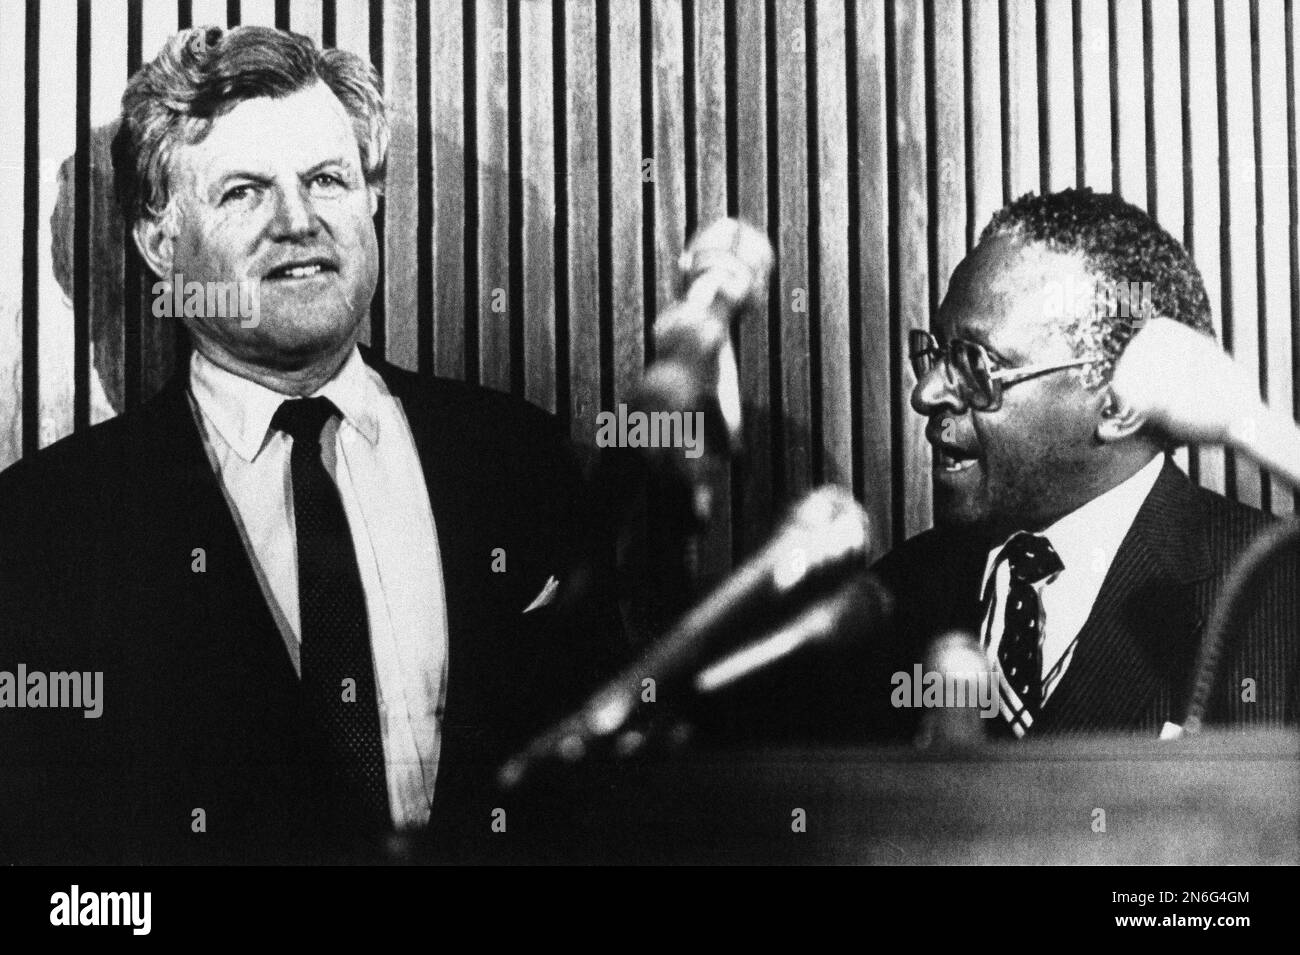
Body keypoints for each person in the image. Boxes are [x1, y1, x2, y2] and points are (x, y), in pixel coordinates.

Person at [0, 25, 617, 863]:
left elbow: (606, 786)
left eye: (326, 179)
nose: (298, 222)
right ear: (159, 243)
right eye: (244, 192)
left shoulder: (518, 457)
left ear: (369, 199)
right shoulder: (47, 524)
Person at [870, 188, 1298, 739]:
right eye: (937, 355)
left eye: (975, 365)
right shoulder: (890, 600)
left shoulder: (1276, 601)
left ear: (1118, 404)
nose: (926, 394)